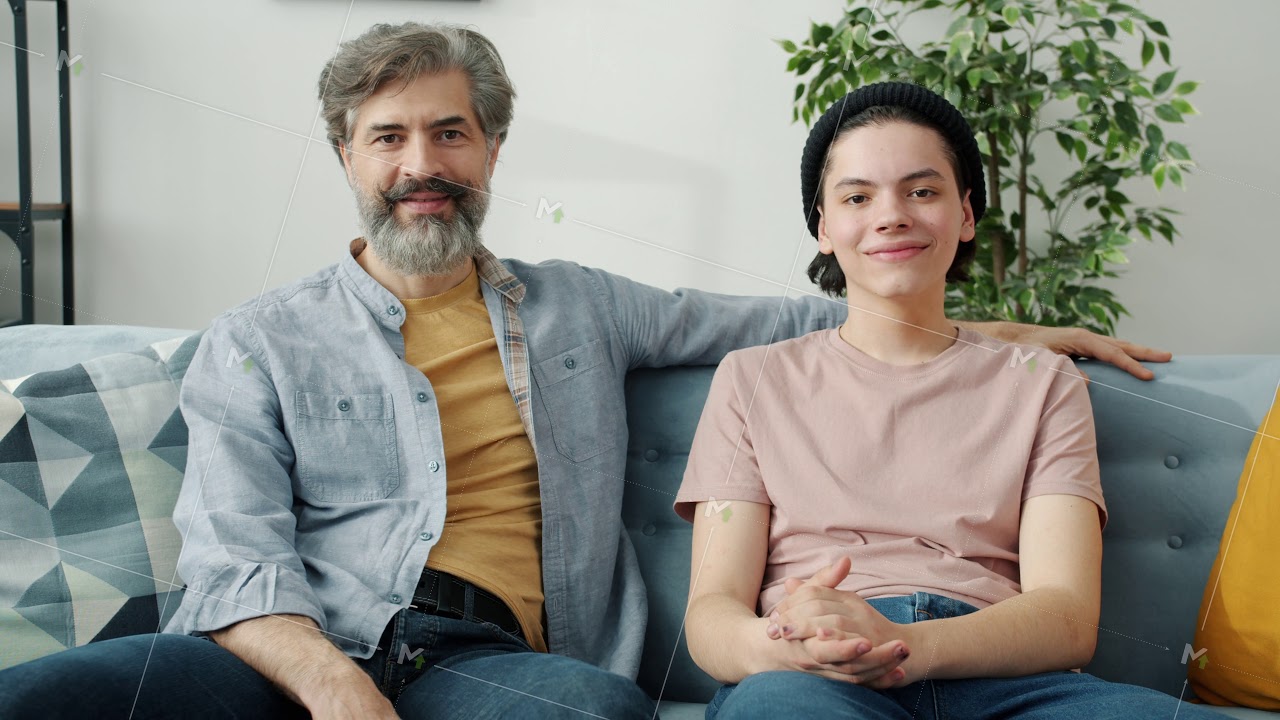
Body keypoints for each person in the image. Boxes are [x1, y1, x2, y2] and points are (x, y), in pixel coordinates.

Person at [0, 24, 1170, 720]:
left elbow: (813, 305)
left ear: (492, 149)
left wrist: (1011, 335)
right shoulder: (258, 337)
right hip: (285, 649)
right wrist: (331, 688)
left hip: (483, 666)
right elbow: (235, 557)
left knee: (594, 714)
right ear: (345, 157)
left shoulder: (580, 306)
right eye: (390, 137)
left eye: (451, 133)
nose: (424, 164)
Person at [674, 82, 1226, 719]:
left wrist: (910, 643)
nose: (892, 215)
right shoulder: (752, 379)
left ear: (965, 215)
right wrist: (780, 650)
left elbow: (1068, 617)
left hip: (998, 668)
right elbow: (712, 612)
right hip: (816, 678)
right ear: (824, 227)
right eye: (858, 196)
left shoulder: (1042, 381)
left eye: (922, 191)